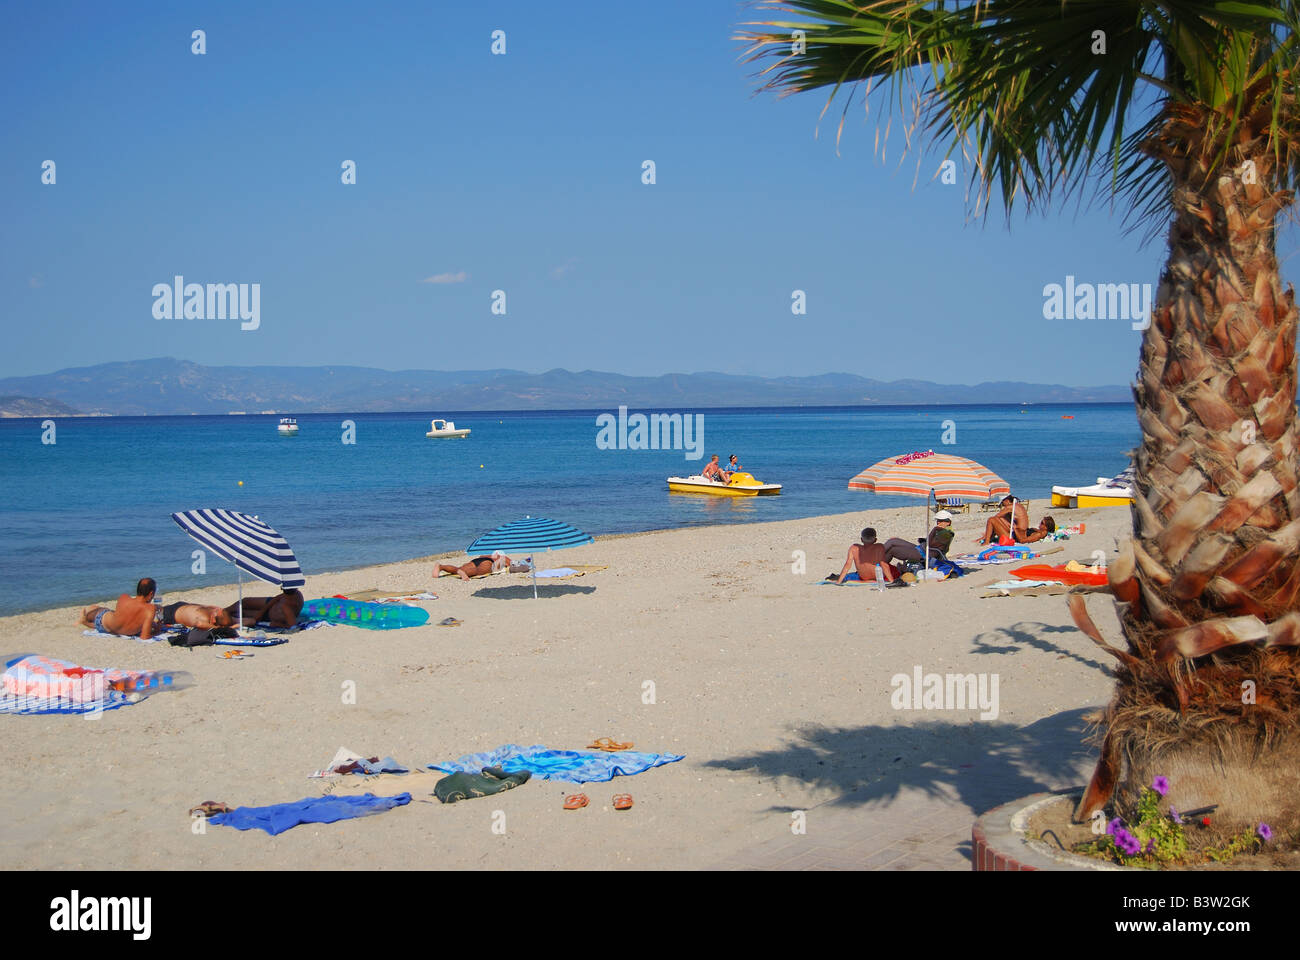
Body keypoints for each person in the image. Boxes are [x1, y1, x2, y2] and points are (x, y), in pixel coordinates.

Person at [79, 578, 160, 638]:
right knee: (101, 610)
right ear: (151, 593)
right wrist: (157, 631)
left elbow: (126, 617)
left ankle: (85, 620)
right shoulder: (150, 609)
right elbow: (144, 637)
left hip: (103, 624)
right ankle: (85, 618)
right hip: (108, 626)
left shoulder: (124, 598)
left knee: (104, 612)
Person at [830, 528, 902, 584]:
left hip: (863, 577)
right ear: (875, 540)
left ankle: (838, 578)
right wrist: (892, 581)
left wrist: (838, 582)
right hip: (877, 577)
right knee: (895, 570)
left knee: (852, 575)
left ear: (861, 539)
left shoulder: (854, 548)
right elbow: (883, 565)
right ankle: (900, 568)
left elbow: (847, 565)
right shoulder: (879, 547)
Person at [883, 511, 956, 565]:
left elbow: (930, 544)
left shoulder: (946, 533)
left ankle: (875, 561)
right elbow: (933, 543)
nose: (938, 523)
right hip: (921, 549)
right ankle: (876, 562)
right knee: (893, 540)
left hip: (923, 554)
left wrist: (934, 529)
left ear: (948, 522)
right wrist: (923, 540)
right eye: (938, 521)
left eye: (941, 521)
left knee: (892, 547)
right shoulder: (945, 531)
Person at [224, 589, 304, 628]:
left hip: (269, 616)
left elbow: (293, 626)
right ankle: (224, 611)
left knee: (242, 613)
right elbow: (278, 597)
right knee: (245, 602)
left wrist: (277, 624)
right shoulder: (295, 593)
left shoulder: (287, 608)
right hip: (269, 604)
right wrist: (261, 612)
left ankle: (224, 616)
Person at [159, 601, 233, 629]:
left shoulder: (205, 619)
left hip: (173, 614)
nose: (217, 610)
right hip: (184, 605)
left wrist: (217, 628)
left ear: (214, 620)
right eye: (218, 610)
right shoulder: (215, 610)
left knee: (157, 612)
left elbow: (199, 624)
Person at [436, 553, 512, 581]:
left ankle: (441, 567)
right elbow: (510, 565)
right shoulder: (503, 558)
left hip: (476, 560)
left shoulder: (485, 555)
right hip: (488, 562)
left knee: (460, 568)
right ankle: (463, 573)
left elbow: (480, 557)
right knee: (477, 571)